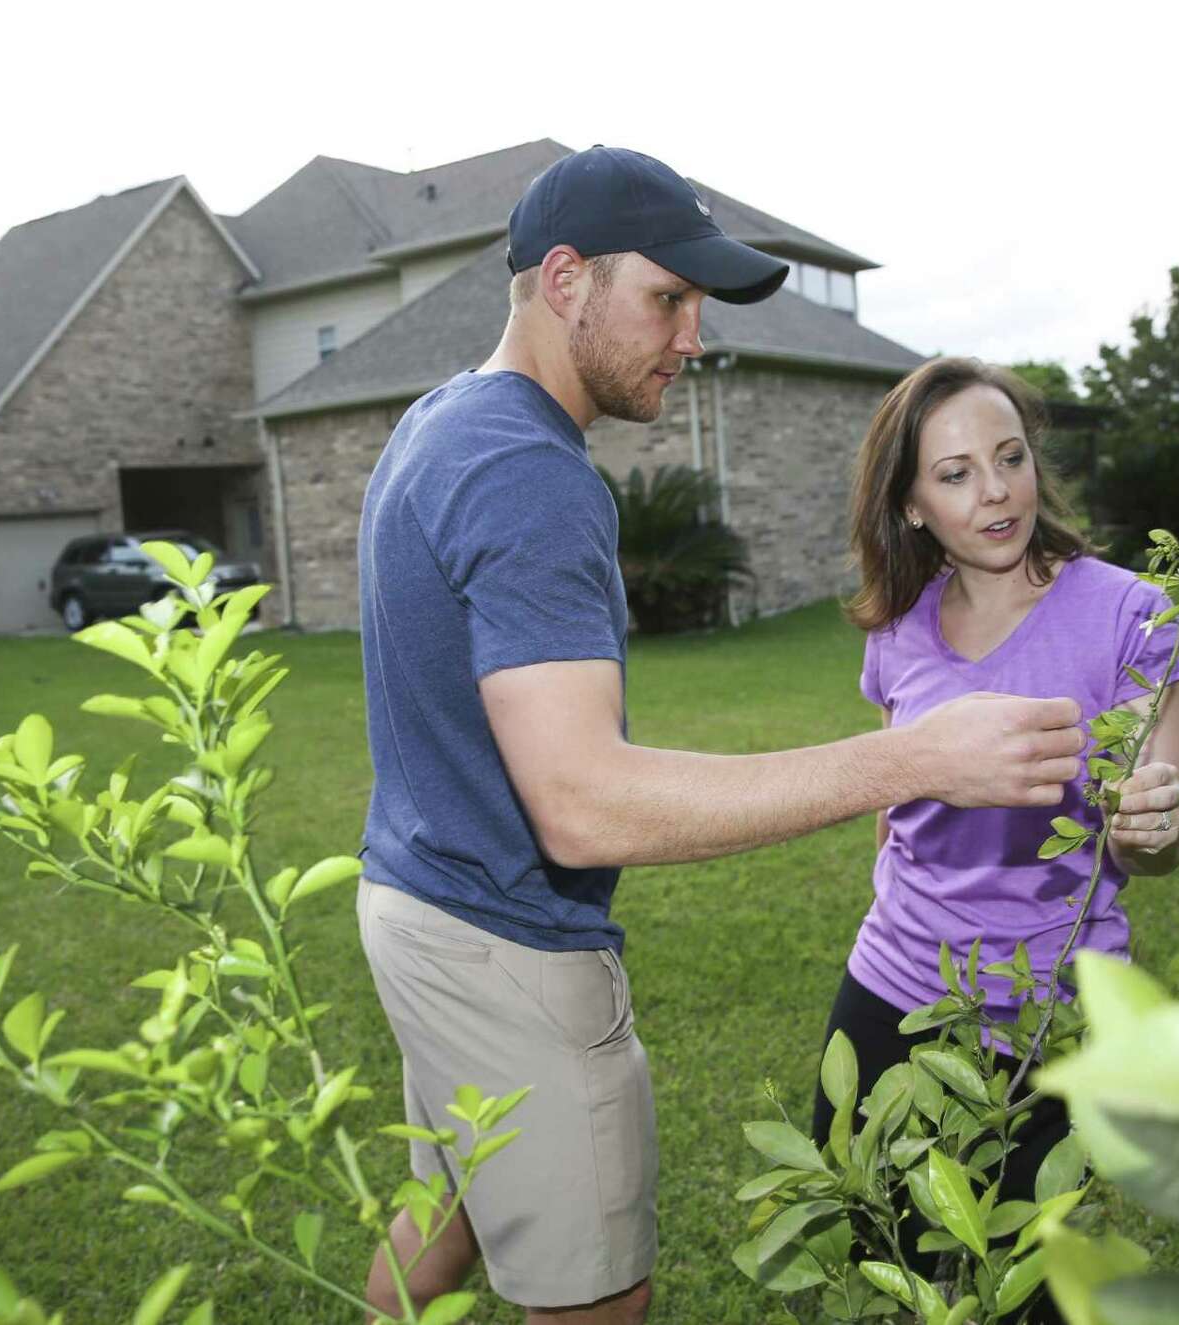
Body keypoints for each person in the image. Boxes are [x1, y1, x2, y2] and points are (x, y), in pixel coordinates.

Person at [353, 148, 1089, 1325]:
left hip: (416, 903)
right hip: (504, 940)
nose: (692, 336)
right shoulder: (528, 473)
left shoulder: (441, 422)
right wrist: (914, 758)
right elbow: (582, 803)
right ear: (565, 279)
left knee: (444, 1210)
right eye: (668, 298)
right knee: (601, 1292)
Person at [809, 357, 1179, 1306]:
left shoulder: (1132, 615)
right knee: (875, 1262)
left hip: (1048, 1014)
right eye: (955, 474)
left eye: (1010, 457)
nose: (995, 491)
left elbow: (1155, 840)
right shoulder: (897, 627)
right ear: (911, 506)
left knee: (1028, 1291)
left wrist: (1153, 823)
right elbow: (892, 808)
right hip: (893, 995)